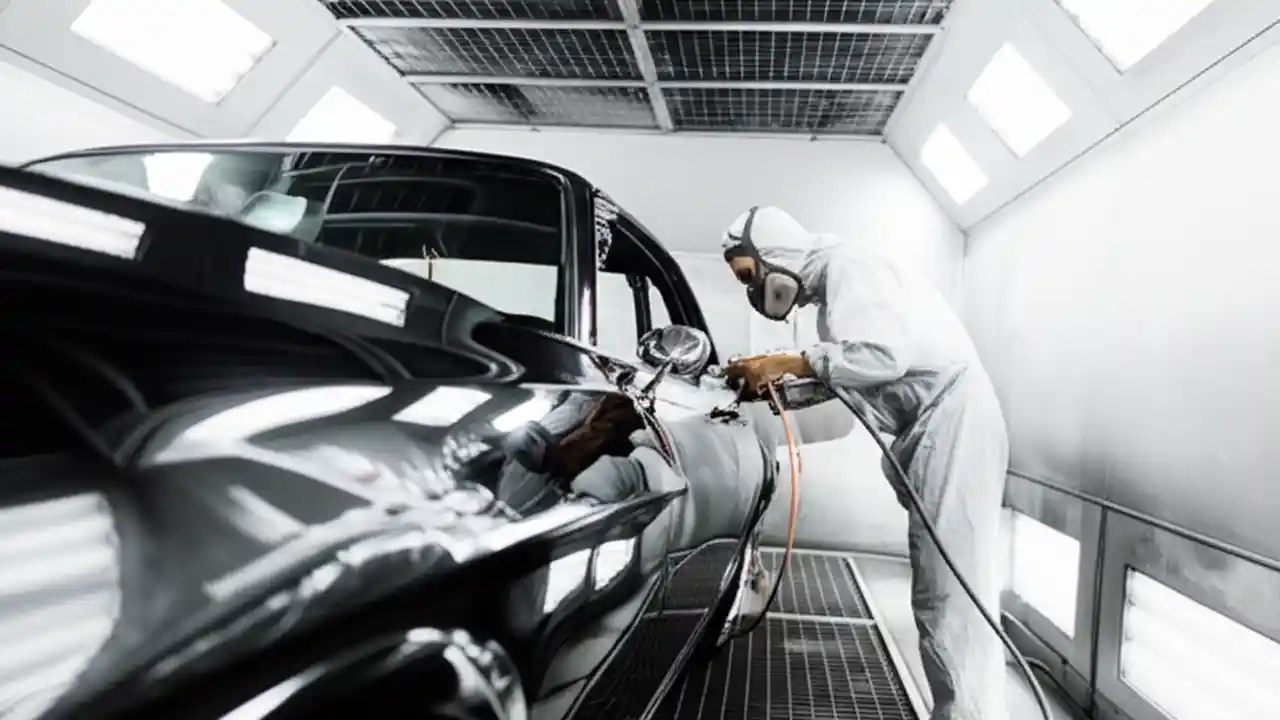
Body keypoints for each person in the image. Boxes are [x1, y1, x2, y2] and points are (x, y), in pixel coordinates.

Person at [721, 206, 1010, 720]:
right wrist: (770, 387)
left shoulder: (849, 267)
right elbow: (854, 372)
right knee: (946, 592)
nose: (754, 289)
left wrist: (789, 362)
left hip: (954, 423)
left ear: (774, 256)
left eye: (750, 274)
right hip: (939, 424)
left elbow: (883, 357)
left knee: (948, 599)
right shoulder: (835, 290)